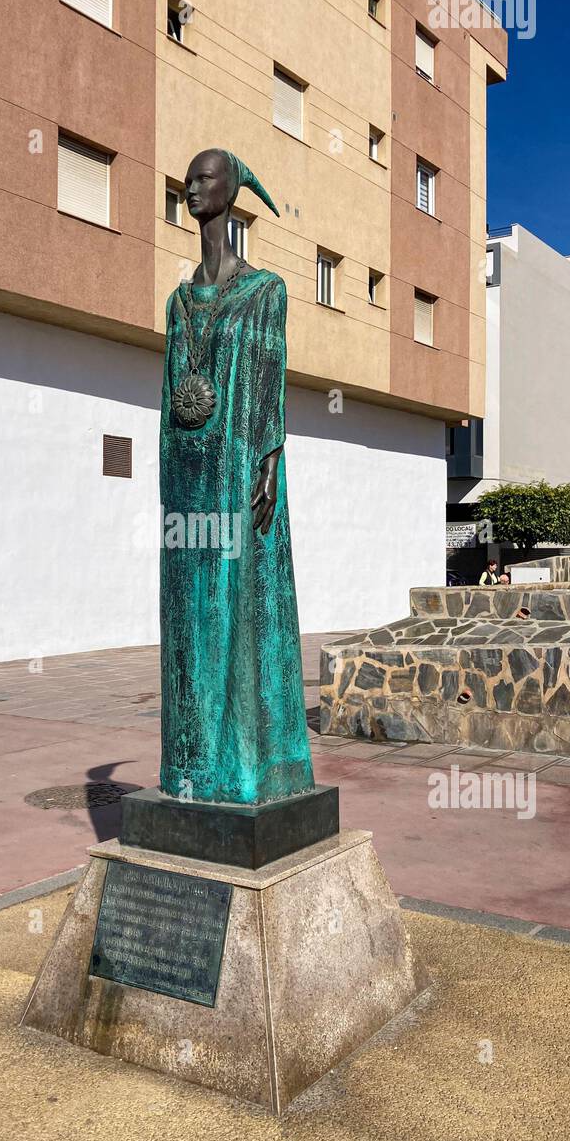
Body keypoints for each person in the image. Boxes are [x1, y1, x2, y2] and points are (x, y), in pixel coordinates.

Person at [159, 148, 314, 806]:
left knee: (238, 602)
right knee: (187, 614)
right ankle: (192, 763)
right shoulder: (177, 300)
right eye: (188, 181)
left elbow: (269, 382)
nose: (192, 188)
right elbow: (170, 390)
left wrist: (271, 460)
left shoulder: (265, 292)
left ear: (233, 191)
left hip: (238, 466)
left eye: (205, 179)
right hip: (185, 469)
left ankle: (249, 762)